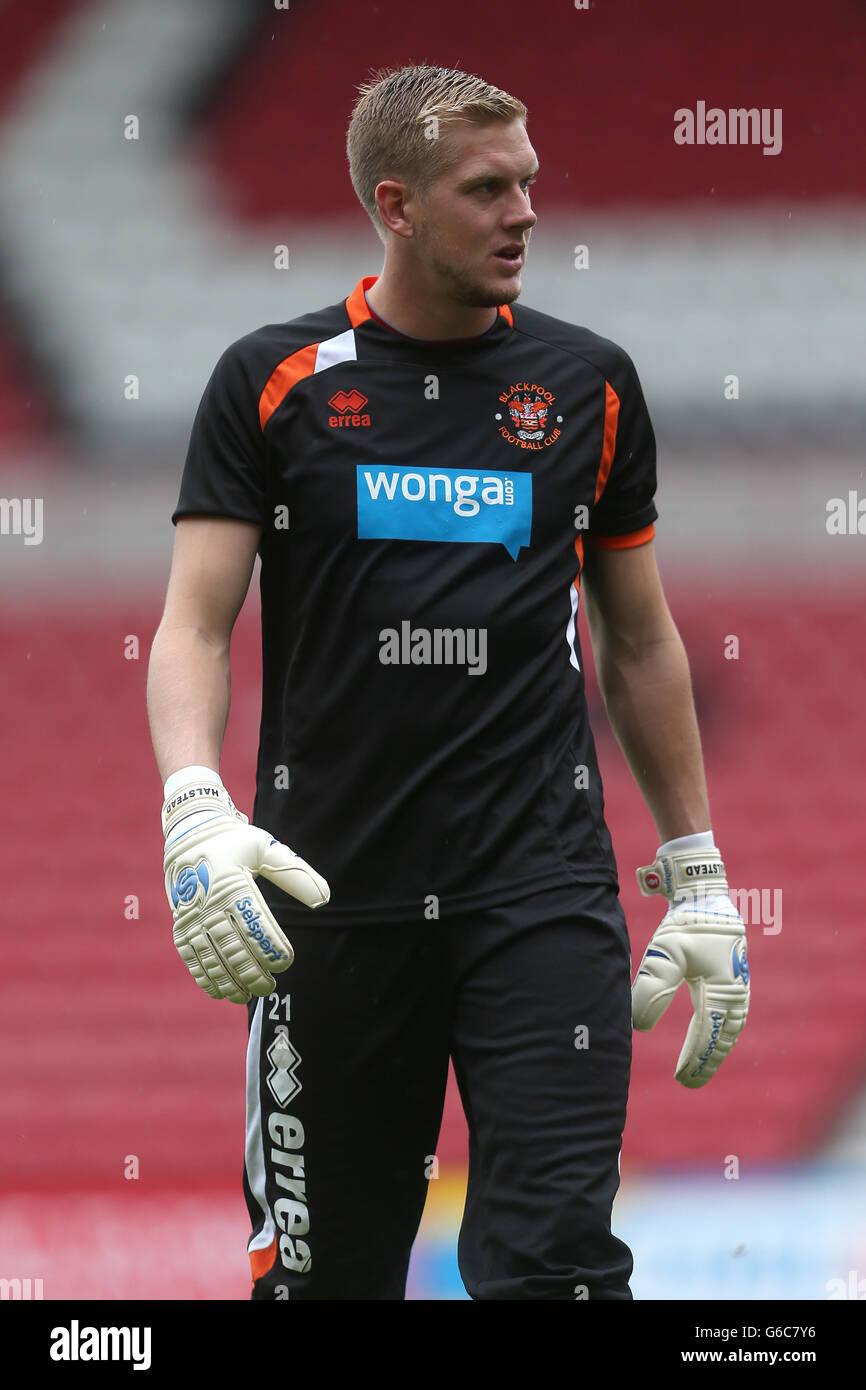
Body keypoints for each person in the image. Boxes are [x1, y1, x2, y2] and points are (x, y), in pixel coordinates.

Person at [146, 64, 750, 1301]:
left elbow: (636, 640)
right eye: (487, 189)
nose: (525, 211)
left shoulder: (589, 385)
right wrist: (195, 803)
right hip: (328, 899)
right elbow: (193, 625)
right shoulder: (276, 381)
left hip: (538, 891)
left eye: (528, 181)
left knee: (557, 1270)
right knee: (326, 1285)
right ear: (398, 204)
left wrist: (696, 866)